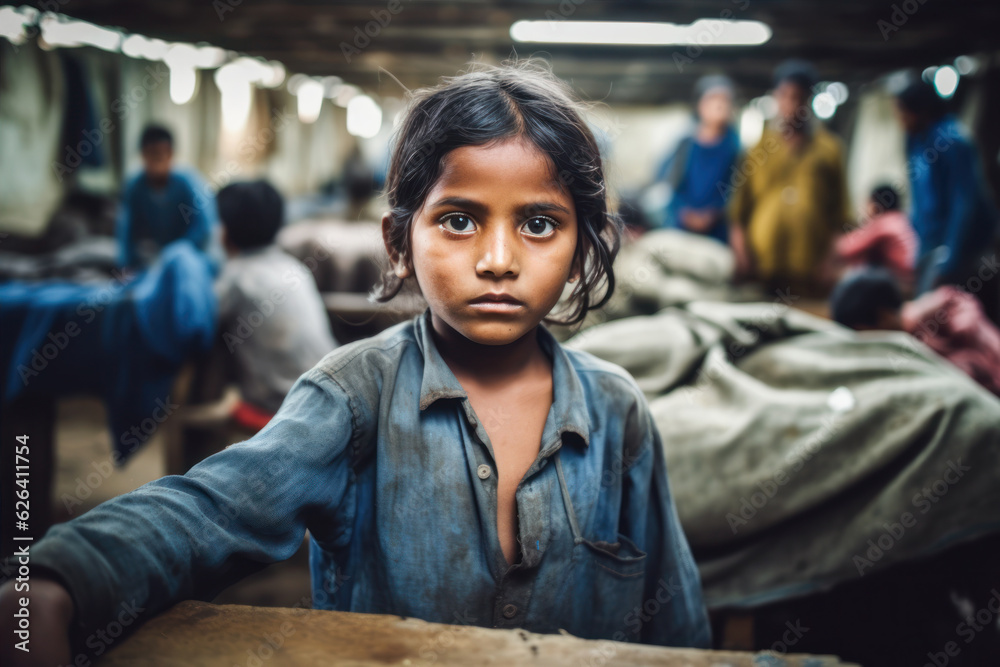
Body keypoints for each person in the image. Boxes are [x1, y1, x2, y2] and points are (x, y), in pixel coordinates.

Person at [0, 61, 711, 665]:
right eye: (458, 220)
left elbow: (674, 617)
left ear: (583, 247)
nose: (498, 260)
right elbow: (210, 509)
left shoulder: (618, 412)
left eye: (539, 223)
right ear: (399, 242)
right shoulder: (355, 397)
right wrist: (59, 581)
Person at [214, 179, 338, 430]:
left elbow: (198, 325)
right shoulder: (294, 268)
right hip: (330, 393)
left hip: (280, 408)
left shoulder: (235, 279)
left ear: (225, 233)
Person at [729, 59, 852, 297]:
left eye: (799, 97)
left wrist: (831, 261)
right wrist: (742, 256)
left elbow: (841, 215)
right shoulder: (757, 150)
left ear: (809, 101)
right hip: (764, 267)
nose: (791, 105)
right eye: (785, 96)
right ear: (775, 97)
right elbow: (738, 213)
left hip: (811, 271)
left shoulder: (830, 150)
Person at [893, 77, 1000, 307]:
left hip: (967, 245)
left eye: (902, 113)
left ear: (921, 111)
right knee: (928, 308)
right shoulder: (914, 140)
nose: (899, 120)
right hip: (933, 242)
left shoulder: (954, 141)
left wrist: (951, 257)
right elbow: (918, 195)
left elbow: (964, 201)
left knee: (959, 310)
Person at [830, 268, 1000, 396]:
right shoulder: (923, 320)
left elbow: (972, 381)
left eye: (862, 334)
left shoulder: (933, 330)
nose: (864, 347)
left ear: (884, 317)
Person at [116, 124, 222, 271]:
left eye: (160, 154)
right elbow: (126, 229)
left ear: (171, 154)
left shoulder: (189, 182)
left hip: (197, 254)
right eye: (150, 154)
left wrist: (173, 256)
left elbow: (204, 227)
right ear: (142, 155)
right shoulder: (135, 186)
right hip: (162, 256)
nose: (155, 161)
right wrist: (126, 265)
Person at [654, 74, 741, 244]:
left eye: (724, 100)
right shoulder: (685, 145)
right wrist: (684, 212)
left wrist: (714, 213)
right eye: (713, 99)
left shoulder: (735, 148)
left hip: (718, 234)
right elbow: (668, 183)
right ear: (700, 105)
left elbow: (738, 191)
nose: (719, 105)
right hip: (681, 229)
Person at [833, 184, 918, 295]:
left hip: (906, 282)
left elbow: (845, 248)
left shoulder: (883, 222)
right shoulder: (900, 218)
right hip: (916, 276)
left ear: (875, 205)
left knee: (849, 271)